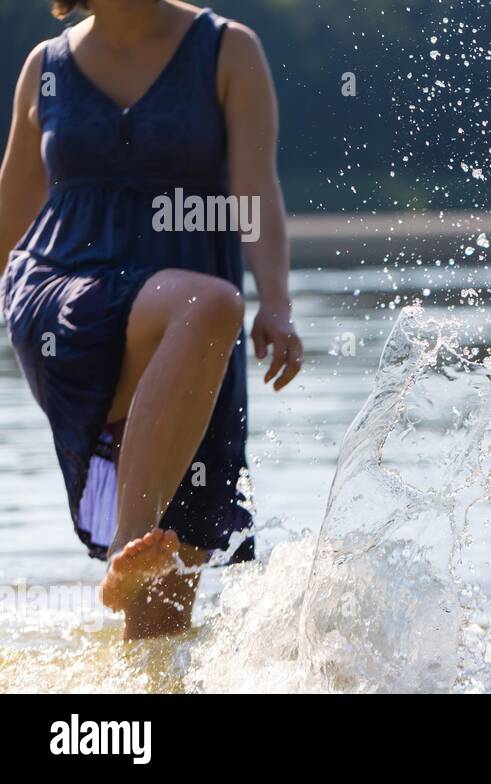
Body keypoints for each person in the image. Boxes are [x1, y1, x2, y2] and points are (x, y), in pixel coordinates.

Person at [0, 0, 301, 639]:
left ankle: (124, 714)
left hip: (192, 337)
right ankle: (126, 541)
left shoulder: (227, 50)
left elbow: (256, 192)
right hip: (64, 291)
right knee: (215, 302)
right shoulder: (45, 67)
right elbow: (9, 216)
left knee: (159, 626)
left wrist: (277, 300)